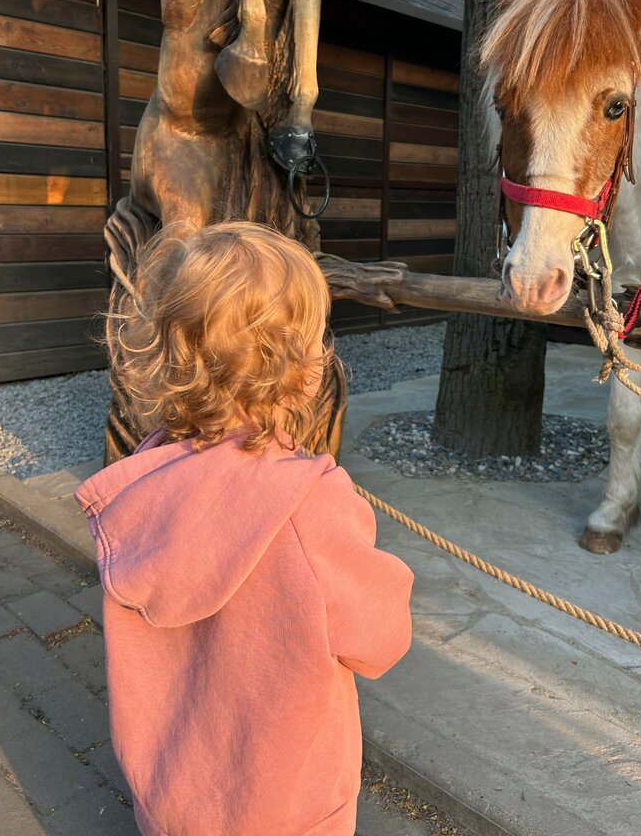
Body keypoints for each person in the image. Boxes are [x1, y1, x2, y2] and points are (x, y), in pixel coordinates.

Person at [75, 221, 415, 836]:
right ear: (306, 370)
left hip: (172, 801)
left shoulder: (141, 490)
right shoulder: (311, 504)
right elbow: (381, 636)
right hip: (285, 808)